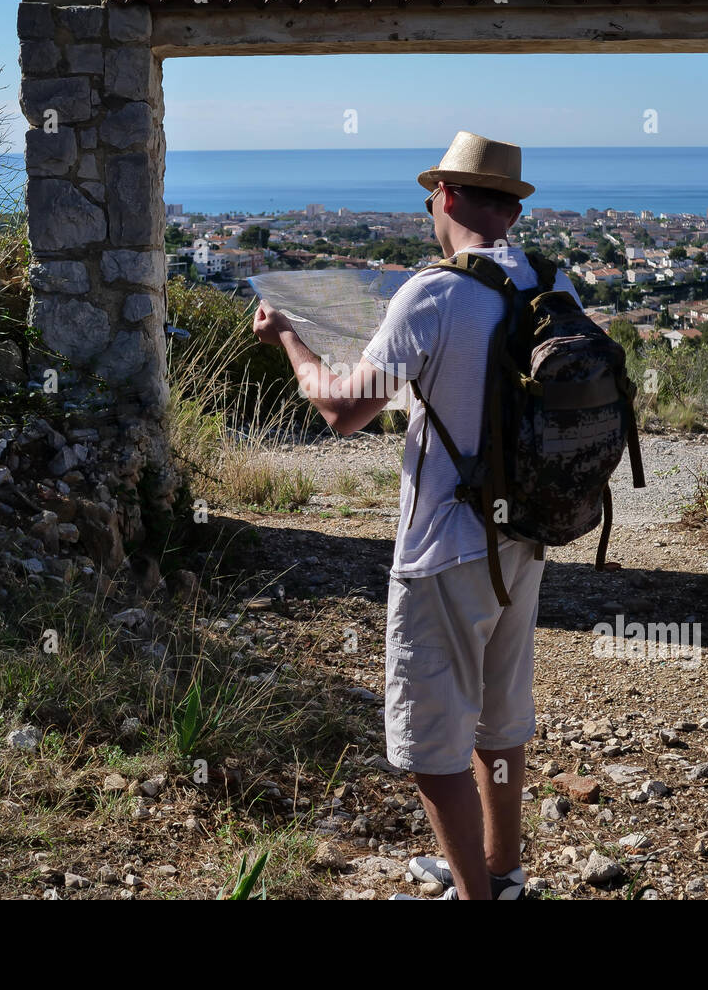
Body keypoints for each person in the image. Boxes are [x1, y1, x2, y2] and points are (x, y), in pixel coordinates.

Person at [252, 131, 582, 900]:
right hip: (526, 535)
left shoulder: (433, 293)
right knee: (500, 722)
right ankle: (501, 874)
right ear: (509, 205)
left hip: (445, 548)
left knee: (434, 743)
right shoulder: (551, 283)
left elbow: (342, 411)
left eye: (431, 194)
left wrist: (289, 340)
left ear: (448, 197)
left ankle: (476, 898)